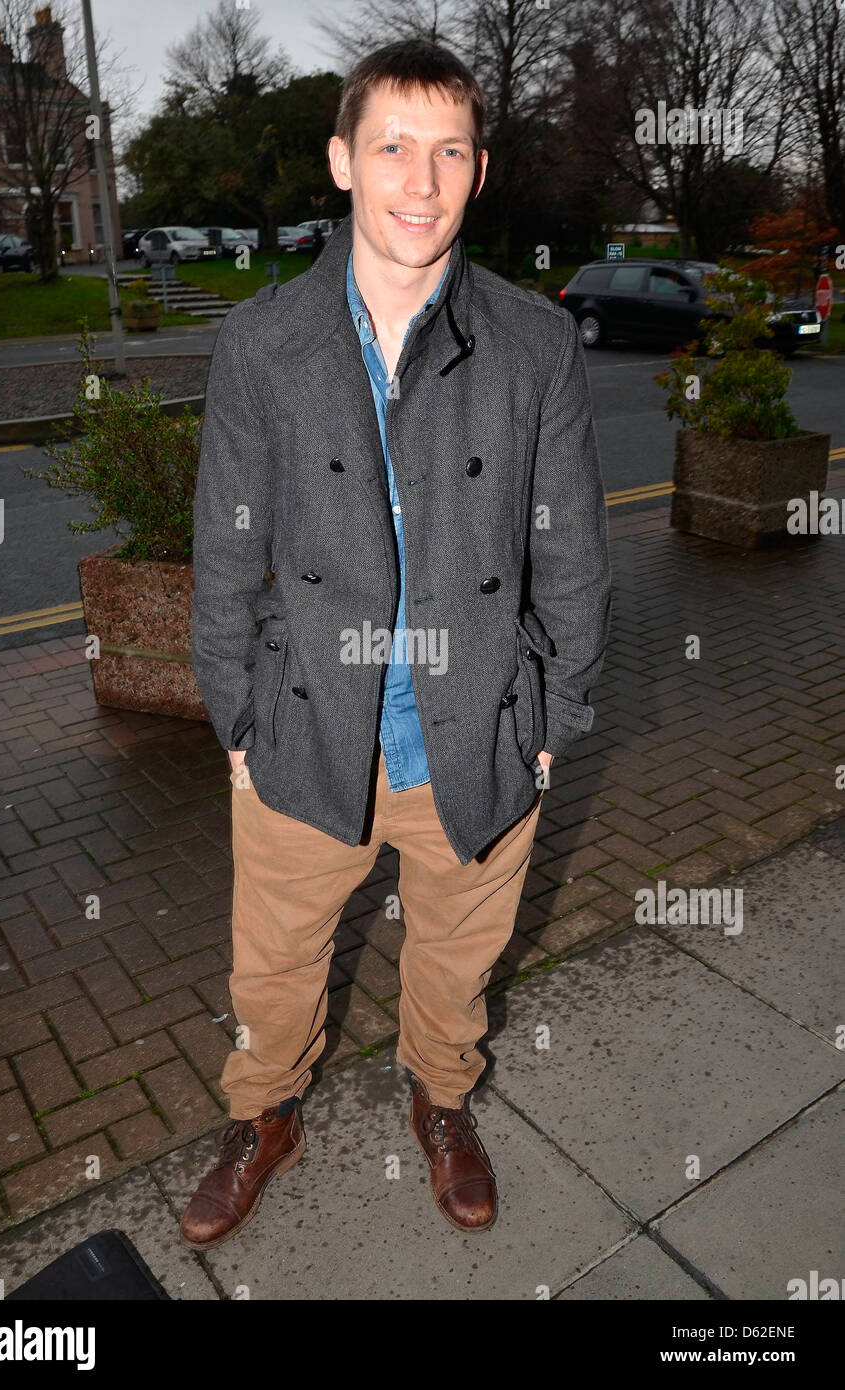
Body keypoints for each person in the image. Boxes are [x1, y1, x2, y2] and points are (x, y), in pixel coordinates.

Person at [181, 38, 611, 1249]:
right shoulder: (263, 344)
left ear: (478, 172)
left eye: (449, 151)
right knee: (270, 972)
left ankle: (441, 1097)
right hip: (306, 724)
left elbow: (572, 555)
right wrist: (238, 718)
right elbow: (224, 556)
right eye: (391, 148)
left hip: (474, 727)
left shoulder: (533, 344)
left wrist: (550, 720)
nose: (419, 182)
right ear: (340, 161)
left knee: (457, 964)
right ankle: (264, 1113)